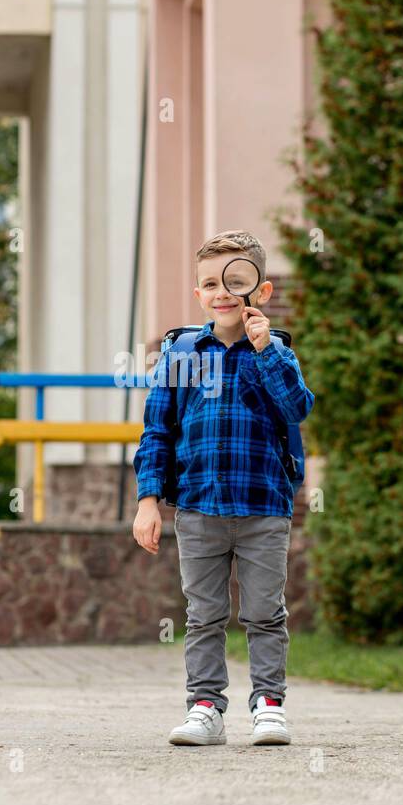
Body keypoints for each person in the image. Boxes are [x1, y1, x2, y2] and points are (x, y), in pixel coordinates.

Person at [132, 230, 315, 747]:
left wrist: (265, 350)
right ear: (198, 295)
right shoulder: (183, 352)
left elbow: (297, 408)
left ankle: (269, 706)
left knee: (264, 612)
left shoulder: (275, 351)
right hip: (198, 507)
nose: (222, 292)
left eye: (235, 280)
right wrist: (148, 502)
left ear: (261, 290)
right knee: (204, 613)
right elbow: (157, 430)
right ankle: (206, 707)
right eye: (210, 283)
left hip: (263, 507)